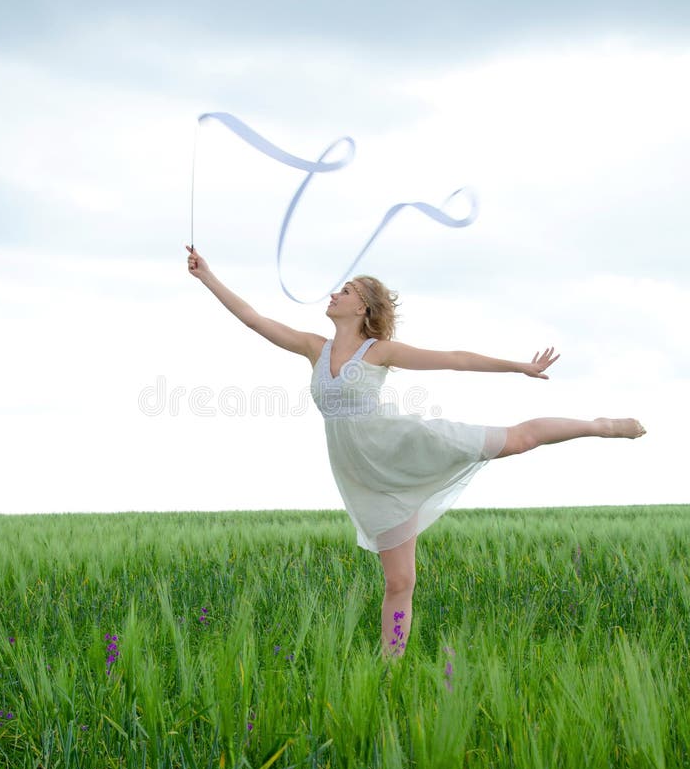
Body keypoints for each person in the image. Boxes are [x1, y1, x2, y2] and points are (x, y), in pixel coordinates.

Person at [185, 245, 646, 658]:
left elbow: (455, 358)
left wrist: (519, 367)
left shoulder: (379, 351)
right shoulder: (313, 348)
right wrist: (207, 276)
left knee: (518, 440)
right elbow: (252, 318)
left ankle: (600, 426)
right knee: (400, 580)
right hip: (364, 477)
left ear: (362, 305)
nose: (333, 294)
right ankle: (392, 668)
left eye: (344, 290)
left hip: (406, 448)